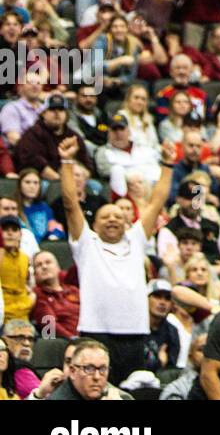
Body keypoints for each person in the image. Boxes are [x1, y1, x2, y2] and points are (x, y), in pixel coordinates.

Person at [60, 133, 175, 384]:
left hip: (134, 332)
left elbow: (156, 203)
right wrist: (67, 163)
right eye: (105, 216)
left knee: (128, 392)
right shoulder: (86, 244)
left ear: (127, 222)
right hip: (95, 331)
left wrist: (167, 165)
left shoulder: (136, 239)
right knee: (93, 390)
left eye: (117, 216)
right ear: (94, 224)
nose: (112, 219)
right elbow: (70, 203)